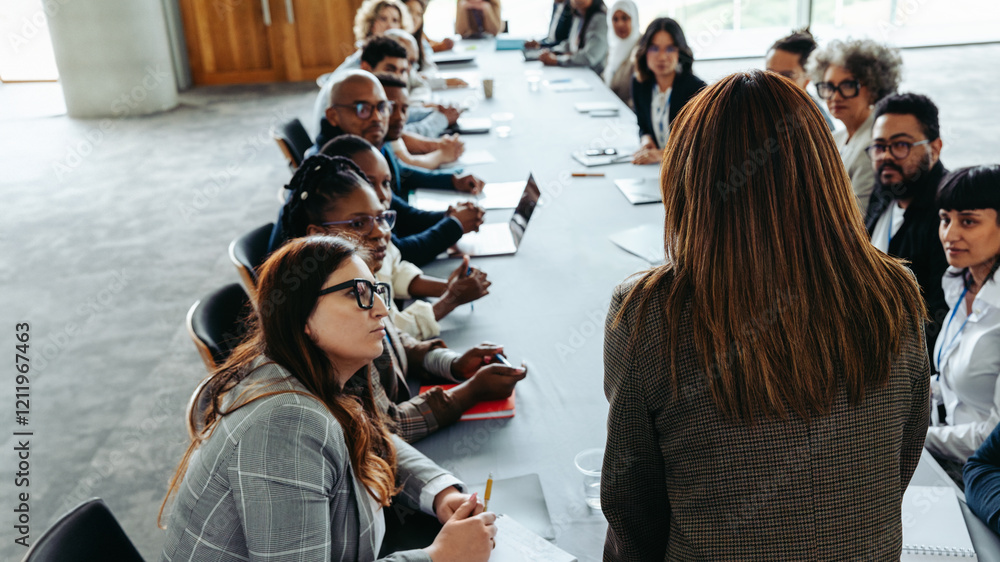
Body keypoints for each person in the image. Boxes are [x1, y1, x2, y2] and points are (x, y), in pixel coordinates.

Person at [602, 70, 929, 559]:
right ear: (825, 170)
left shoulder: (649, 314)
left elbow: (631, 506)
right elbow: (903, 452)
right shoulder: (894, 291)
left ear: (688, 177)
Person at [159, 235, 498, 562]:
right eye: (358, 294)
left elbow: (371, 439)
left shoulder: (308, 368)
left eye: (378, 290)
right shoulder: (284, 424)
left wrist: (439, 492)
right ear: (302, 315)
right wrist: (439, 558)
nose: (381, 309)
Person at [272, 156, 524, 443]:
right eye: (358, 223)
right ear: (318, 235)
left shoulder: (359, 279)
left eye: (381, 217)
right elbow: (383, 430)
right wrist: (472, 391)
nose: (380, 231)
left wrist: (453, 364)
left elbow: (393, 341)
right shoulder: (329, 320)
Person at [299, 71, 484, 265]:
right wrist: (454, 225)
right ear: (333, 115)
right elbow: (397, 254)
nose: (377, 117)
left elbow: (402, 211)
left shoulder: (365, 144)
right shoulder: (335, 168)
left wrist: (450, 210)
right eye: (362, 108)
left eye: (382, 107)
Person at [321, 134, 491, 339]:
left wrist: (448, 288)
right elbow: (389, 334)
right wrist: (450, 300)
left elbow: (393, 268)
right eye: (358, 223)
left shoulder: (375, 226)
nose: (382, 195)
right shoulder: (337, 279)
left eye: (386, 183)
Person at [864, 93, 950, 354]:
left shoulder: (947, 214)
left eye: (900, 145)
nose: (886, 156)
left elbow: (940, 312)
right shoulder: (884, 193)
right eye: (879, 146)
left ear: (934, 149)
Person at [926, 165, 1000, 469]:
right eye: (945, 219)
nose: (950, 234)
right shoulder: (959, 284)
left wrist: (917, 437)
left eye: (968, 221)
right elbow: (952, 382)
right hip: (950, 457)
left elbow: (993, 437)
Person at [807, 38, 903, 213]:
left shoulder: (875, 144)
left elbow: (859, 216)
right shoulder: (835, 138)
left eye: (848, 86)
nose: (835, 97)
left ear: (874, 87)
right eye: (829, 87)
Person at [630, 18, 706, 165]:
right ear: (645, 51)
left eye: (670, 49)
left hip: (685, 172)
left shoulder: (697, 90)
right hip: (655, 169)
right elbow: (643, 126)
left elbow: (701, 145)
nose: (662, 57)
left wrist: (662, 154)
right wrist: (646, 140)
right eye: (654, 48)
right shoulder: (639, 84)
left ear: (680, 52)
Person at [763, 28, 834, 130]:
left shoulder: (819, 127)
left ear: (808, 78)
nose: (774, 82)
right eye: (769, 73)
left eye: (786, 76)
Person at [538, 0, 609, 76]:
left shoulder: (599, 18)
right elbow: (570, 44)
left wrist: (557, 60)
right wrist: (553, 51)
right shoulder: (579, 15)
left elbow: (589, 57)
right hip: (577, 74)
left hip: (593, 76)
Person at [603, 0, 639, 109]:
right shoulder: (613, 47)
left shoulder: (641, 49)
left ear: (634, 19)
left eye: (625, 18)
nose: (620, 24)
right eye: (615, 19)